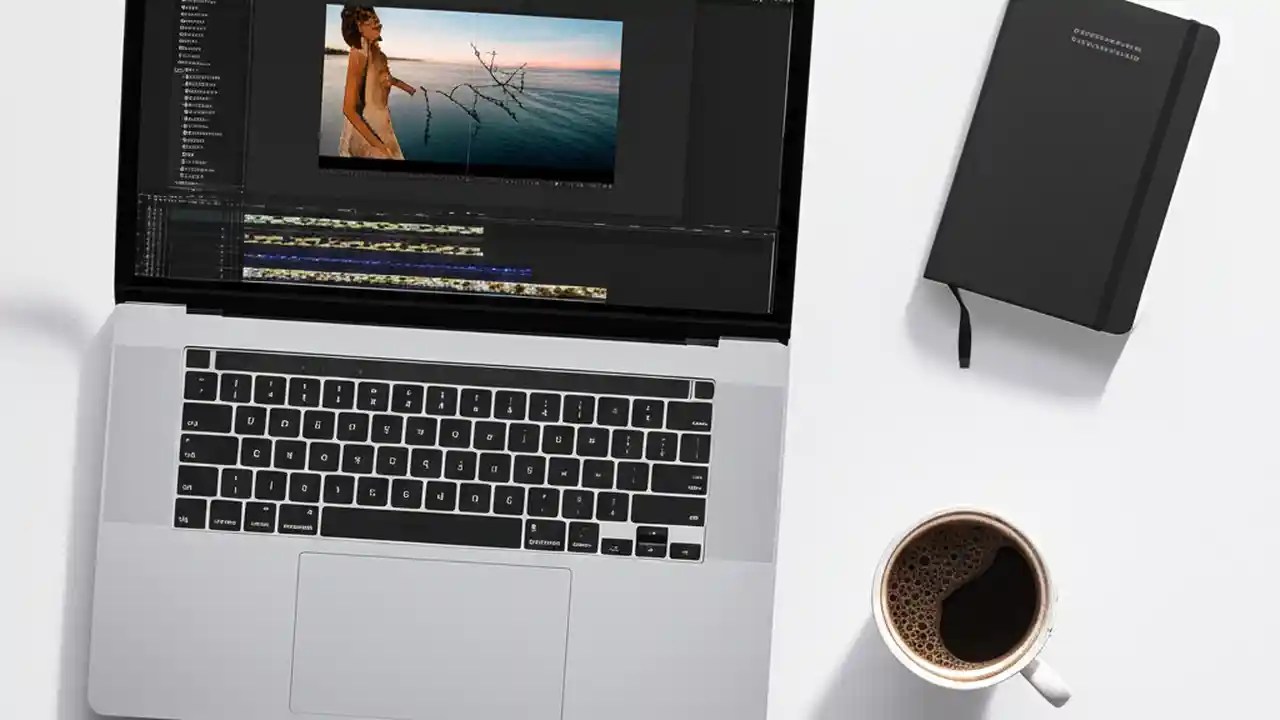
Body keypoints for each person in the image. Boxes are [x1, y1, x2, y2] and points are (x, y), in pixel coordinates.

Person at [338, 5, 416, 160]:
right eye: (366, 18)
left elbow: (386, 79)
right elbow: (348, 109)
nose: (374, 19)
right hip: (366, 137)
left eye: (373, 15)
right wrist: (379, 147)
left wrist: (407, 88)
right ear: (358, 27)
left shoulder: (379, 55)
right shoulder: (360, 51)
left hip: (382, 127)